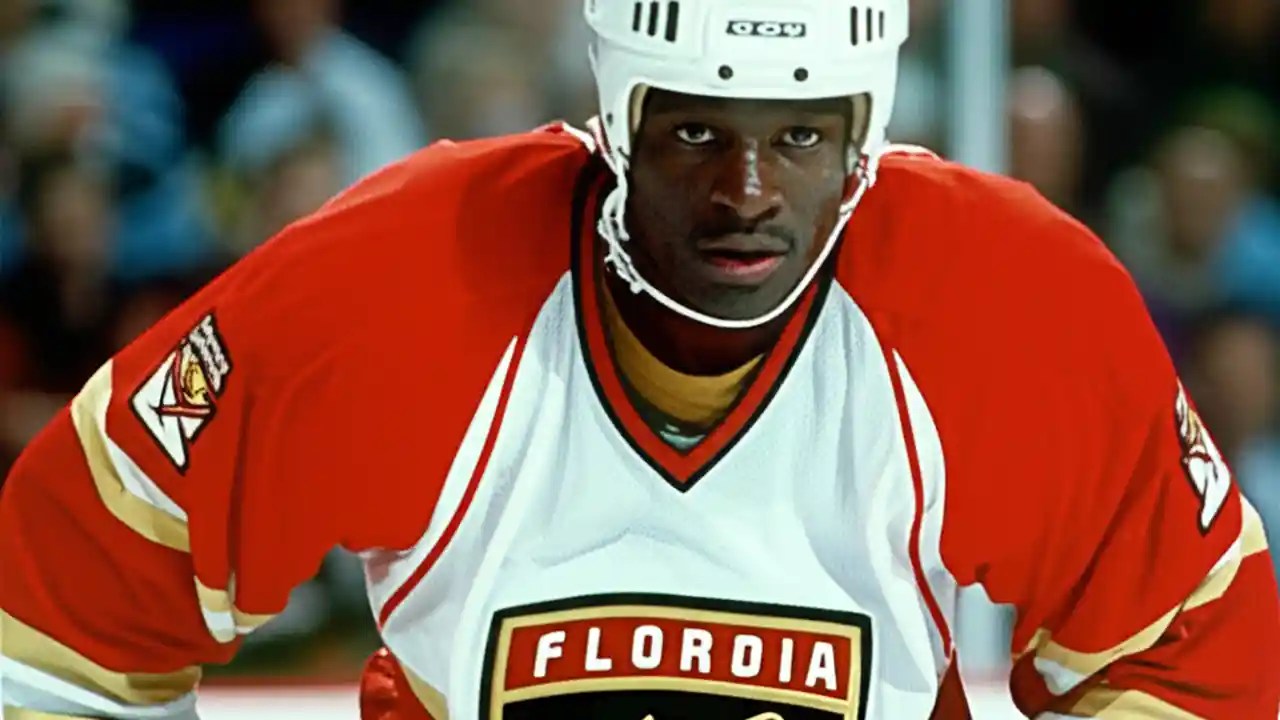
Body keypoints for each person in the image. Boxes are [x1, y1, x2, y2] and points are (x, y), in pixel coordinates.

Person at [2, 1, 1277, 718]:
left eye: (796, 137)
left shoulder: (1010, 303)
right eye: (696, 135)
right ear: (615, 121)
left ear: (865, 137)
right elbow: (58, 619)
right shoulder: (395, 277)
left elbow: (1193, 658)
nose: (745, 192)